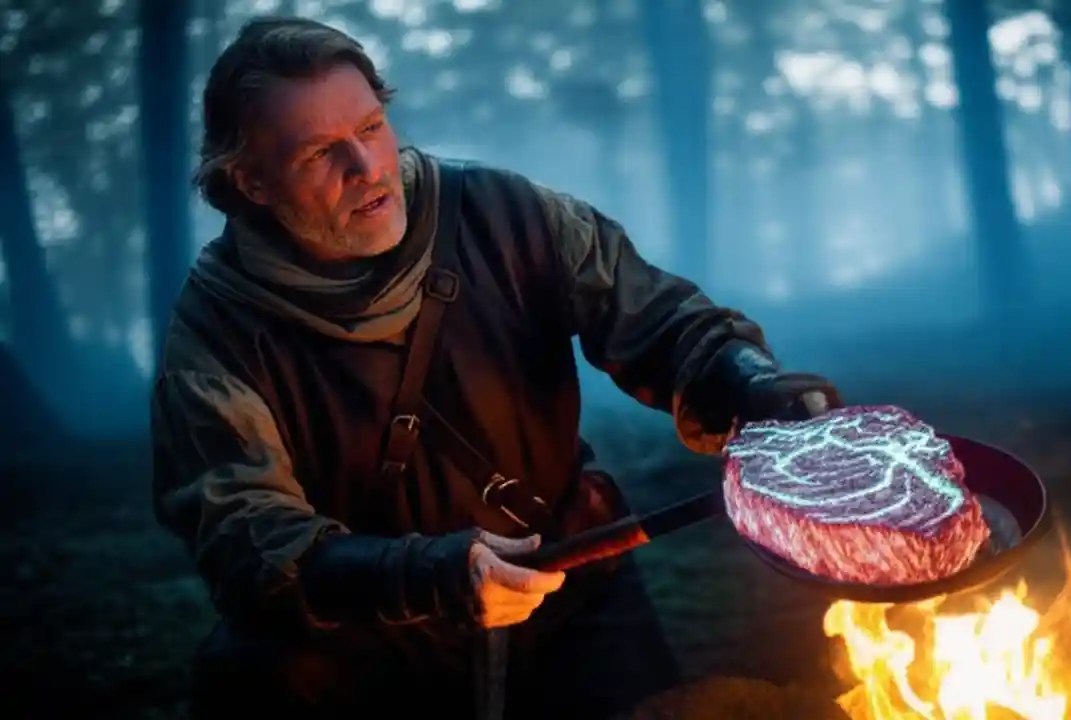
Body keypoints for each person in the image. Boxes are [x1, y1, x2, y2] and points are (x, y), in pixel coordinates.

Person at [150, 16, 842, 720]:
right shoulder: (218, 335)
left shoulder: (505, 214)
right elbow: (247, 532)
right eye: (320, 153)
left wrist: (744, 382)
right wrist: (422, 576)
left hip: (573, 577)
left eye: (370, 127)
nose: (368, 169)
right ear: (251, 181)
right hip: (365, 642)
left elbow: (657, 318)